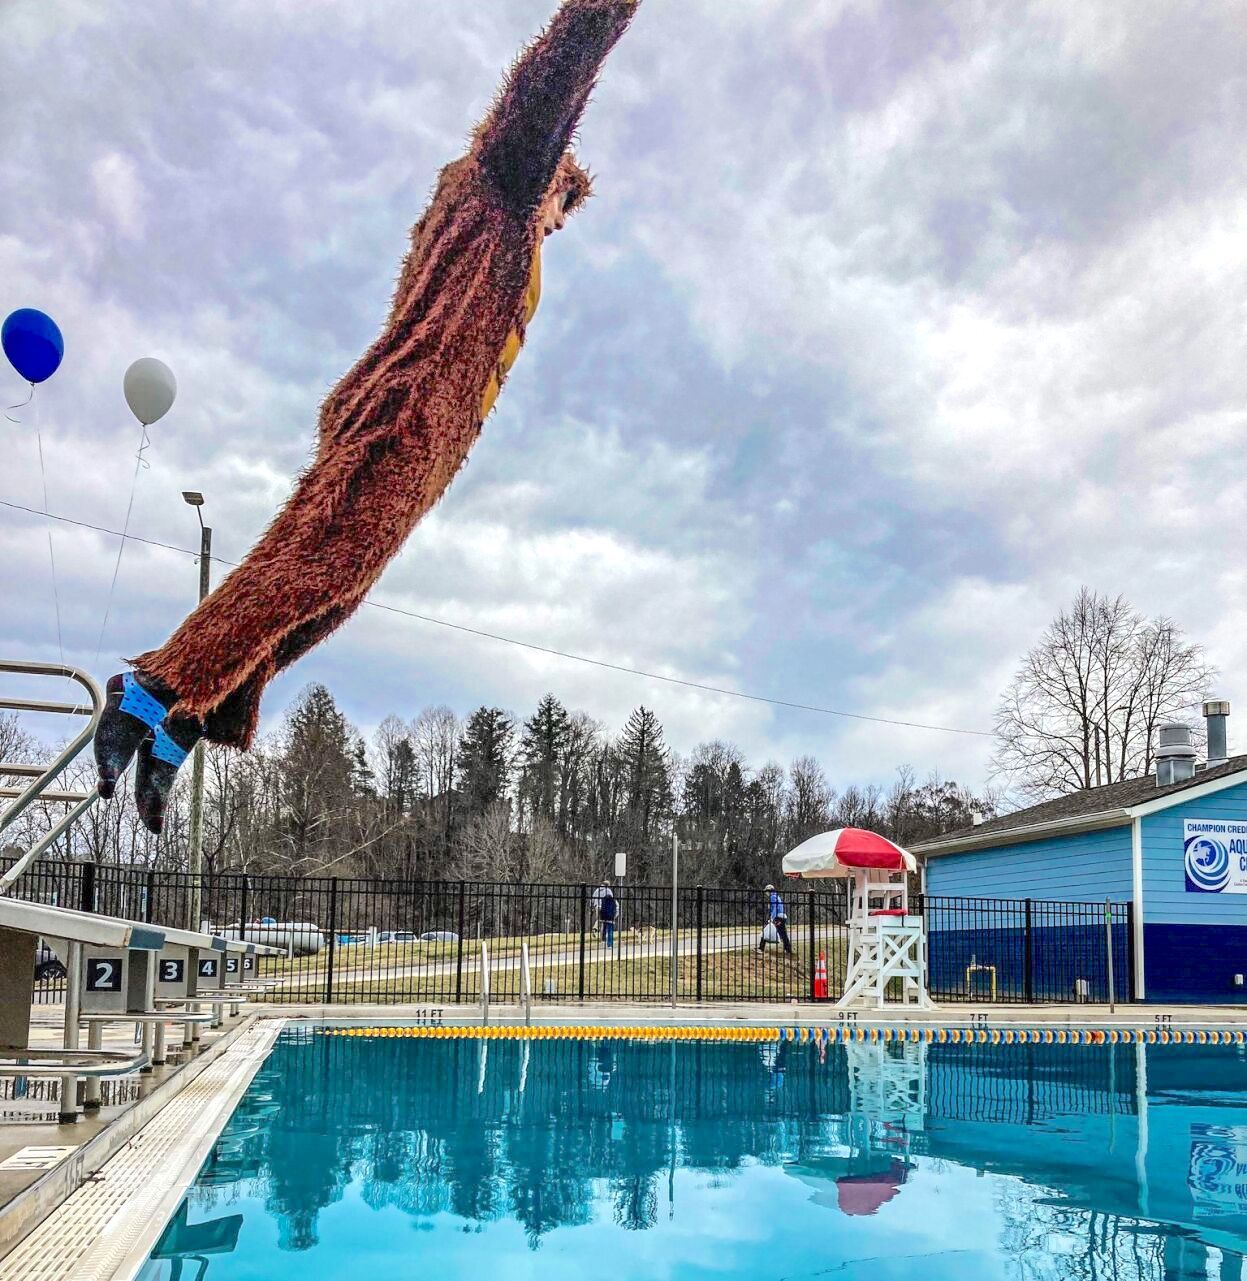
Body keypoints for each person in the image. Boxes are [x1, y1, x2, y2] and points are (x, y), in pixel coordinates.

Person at [91, 0, 641, 833]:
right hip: (407, 404)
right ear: (550, 172)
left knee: (332, 596)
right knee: (315, 562)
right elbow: (553, 80)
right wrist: (602, 16)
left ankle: (189, 719)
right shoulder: (503, 181)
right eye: (562, 205)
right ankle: (154, 687)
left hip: (435, 439)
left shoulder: (500, 228)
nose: (557, 225)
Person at [758, 883, 792, 955]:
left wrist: (772, 918)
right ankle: (788, 950)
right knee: (783, 934)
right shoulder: (777, 896)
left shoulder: (773, 897)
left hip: (777, 917)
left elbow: (774, 908)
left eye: (767, 891)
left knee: (766, 931)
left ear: (769, 891)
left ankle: (761, 949)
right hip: (781, 917)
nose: (766, 893)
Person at [598, 882, 618, 949]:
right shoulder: (613, 900)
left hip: (604, 917)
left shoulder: (602, 899)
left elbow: (600, 908)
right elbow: (617, 908)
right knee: (610, 931)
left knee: (603, 928)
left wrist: (601, 915)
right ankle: (609, 944)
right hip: (611, 918)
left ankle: (603, 941)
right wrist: (615, 916)